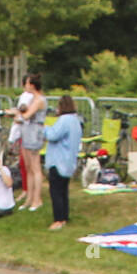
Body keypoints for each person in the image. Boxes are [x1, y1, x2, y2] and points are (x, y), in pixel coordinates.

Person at [43, 95, 82, 230]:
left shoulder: (64, 120)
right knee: (64, 191)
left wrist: (45, 128)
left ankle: (58, 219)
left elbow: (53, 135)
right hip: (69, 160)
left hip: (59, 161)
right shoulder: (75, 120)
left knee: (56, 191)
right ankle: (64, 217)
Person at [15, 73, 47, 211]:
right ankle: (29, 198)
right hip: (27, 132)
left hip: (34, 132)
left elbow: (27, 115)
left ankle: (37, 199)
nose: (25, 86)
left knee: (35, 168)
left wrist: (17, 114)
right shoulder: (31, 99)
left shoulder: (39, 100)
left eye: (27, 83)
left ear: (33, 85)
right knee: (28, 167)